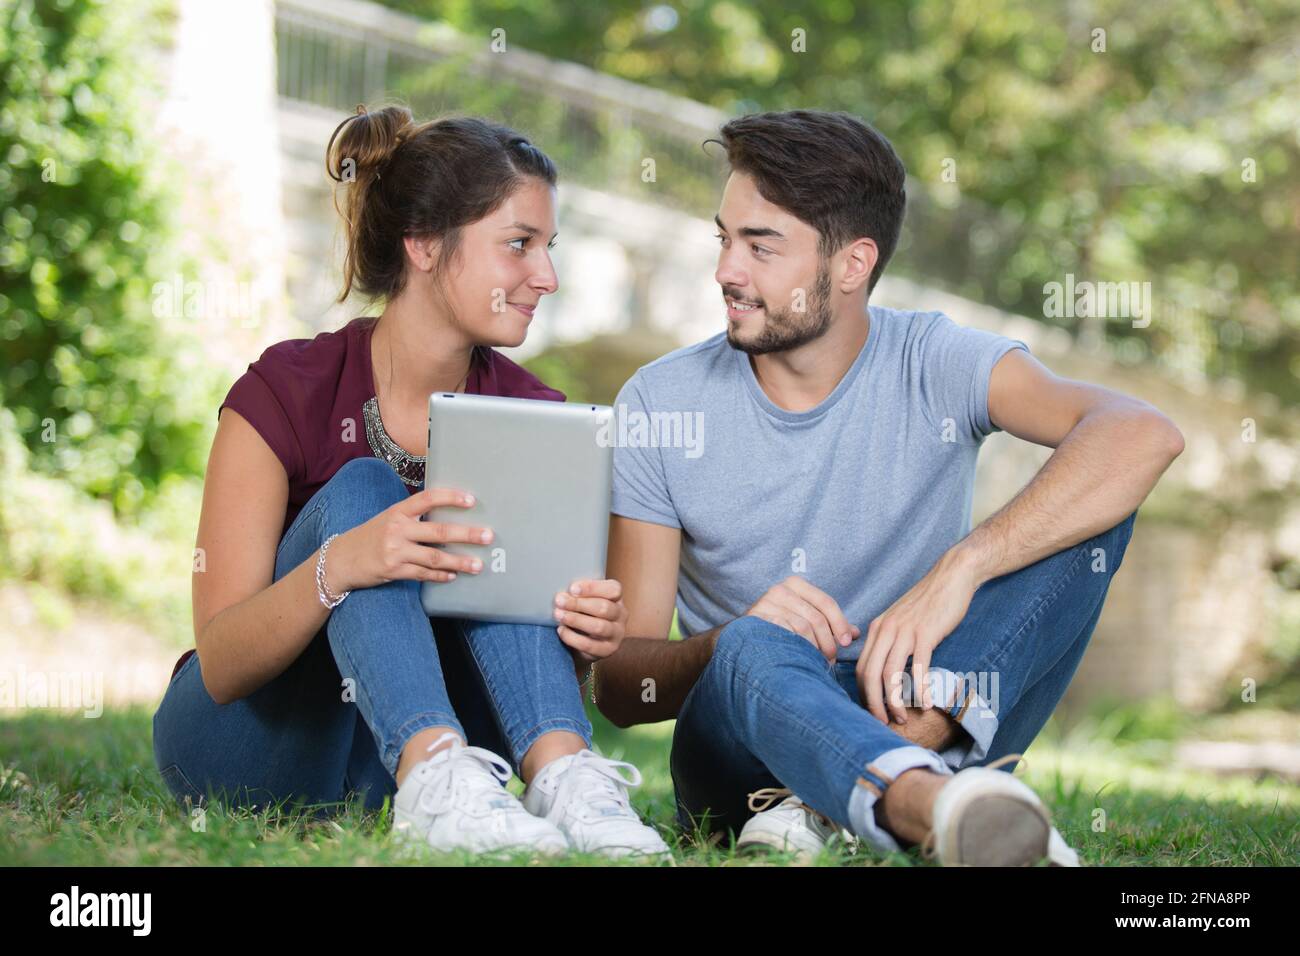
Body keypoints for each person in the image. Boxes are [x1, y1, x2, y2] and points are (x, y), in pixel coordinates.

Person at [596, 109, 1184, 865]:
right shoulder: (660, 402)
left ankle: (848, 799)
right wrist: (724, 642)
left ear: (852, 264)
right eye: (724, 238)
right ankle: (926, 801)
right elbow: (621, 687)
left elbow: (1142, 433)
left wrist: (960, 569)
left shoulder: (935, 359)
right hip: (745, 760)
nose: (726, 271)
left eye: (761, 246)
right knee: (751, 643)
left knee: (1095, 509)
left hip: (917, 695)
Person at [152, 105, 669, 860]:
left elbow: (536, 653)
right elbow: (224, 664)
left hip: (451, 769)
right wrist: (343, 566)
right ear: (424, 244)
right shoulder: (285, 390)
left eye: (547, 248)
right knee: (364, 490)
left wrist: (590, 638)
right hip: (256, 746)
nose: (546, 277)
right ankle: (431, 775)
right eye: (519, 246)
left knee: (499, 520)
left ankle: (566, 783)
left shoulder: (535, 415)